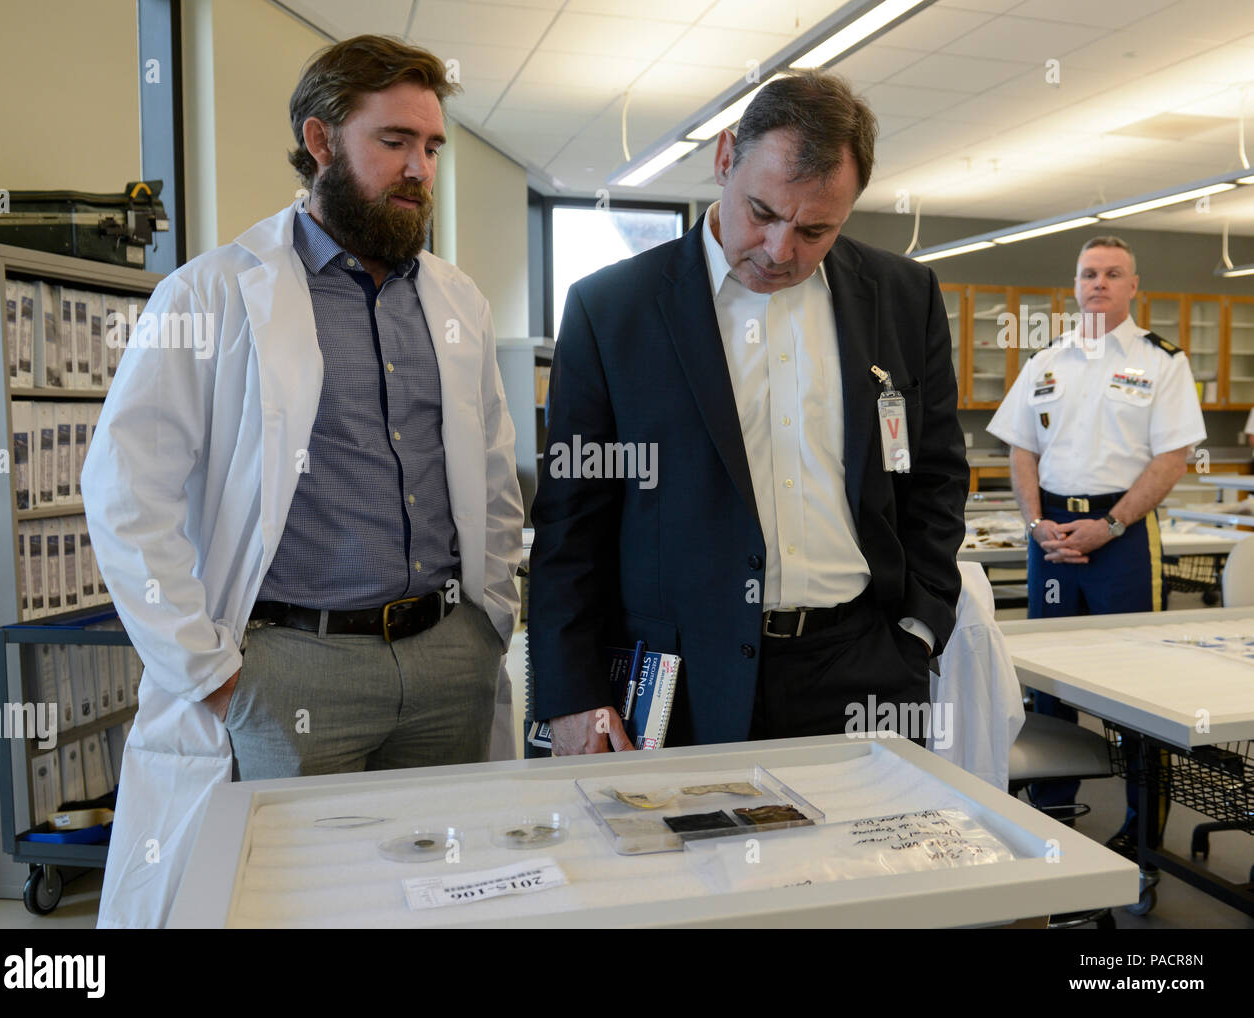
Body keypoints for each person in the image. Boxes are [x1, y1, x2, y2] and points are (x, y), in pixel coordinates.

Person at [82, 35, 523, 928]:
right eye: (394, 141)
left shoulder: (455, 301)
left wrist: (490, 622)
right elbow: (128, 494)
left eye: (433, 147)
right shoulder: (208, 297)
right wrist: (212, 676)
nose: (420, 169)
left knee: (446, 899)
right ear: (321, 142)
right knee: (296, 906)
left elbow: (492, 475)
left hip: (447, 658)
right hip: (292, 669)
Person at [529, 71, 969, 754]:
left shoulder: (903, 297)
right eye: (762, 213)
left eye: (816, 229)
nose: (780, 251)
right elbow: (571, 521)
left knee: (861, 860)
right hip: (680, 677)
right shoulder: (613, 309)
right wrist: (572, 693)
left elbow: (935, 473)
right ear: (726, 156)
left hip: (862, 666)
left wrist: (920, 626)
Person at [986, 235, 1205, 855]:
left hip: (1122, 538)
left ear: (1134, 286)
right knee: (1047, 684)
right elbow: (1022, 448)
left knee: (1138, 687)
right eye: (1088, 274)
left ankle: (1143, 830)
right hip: (1050, 537)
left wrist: (1109, 525)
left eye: (1113, 274)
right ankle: (1054, 813)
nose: (1099, 284)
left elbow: (1172, 457)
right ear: (1074, 285)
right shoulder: (1046, 360)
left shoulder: (1163, 361)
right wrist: (1035, 524)